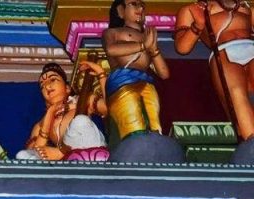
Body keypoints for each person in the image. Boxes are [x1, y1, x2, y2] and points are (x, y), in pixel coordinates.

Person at [174, 0, 254, 140]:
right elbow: (182, 48)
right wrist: (198, 24)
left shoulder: (247, 6)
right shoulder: (192, 9)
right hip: (223, 51)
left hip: (251, 47)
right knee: (236, 94)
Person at [102, 0, 170, 139]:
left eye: (142, 5)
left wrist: (154, 49)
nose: (140, 8)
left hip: (146, 83)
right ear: (120, 10)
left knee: (154, 126)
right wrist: (143, 46)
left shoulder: (147, 36)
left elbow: (164, 73)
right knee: (132, 125)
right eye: (134, 4)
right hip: (123, 82)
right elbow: (111, 49)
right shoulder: (113, 32)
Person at [16, 63, 109, 161]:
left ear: (67, 88)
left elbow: (108, 108)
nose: (47, 86)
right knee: (23, 155)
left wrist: (100, 73)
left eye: (53, 80)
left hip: (89, 145)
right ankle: (62, 154)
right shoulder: (40, 124)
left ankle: (61, 152)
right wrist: (48, 118)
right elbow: (34, 152)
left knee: (80, 122)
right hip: (69, 160)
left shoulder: (83, 101)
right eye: (42, 85)